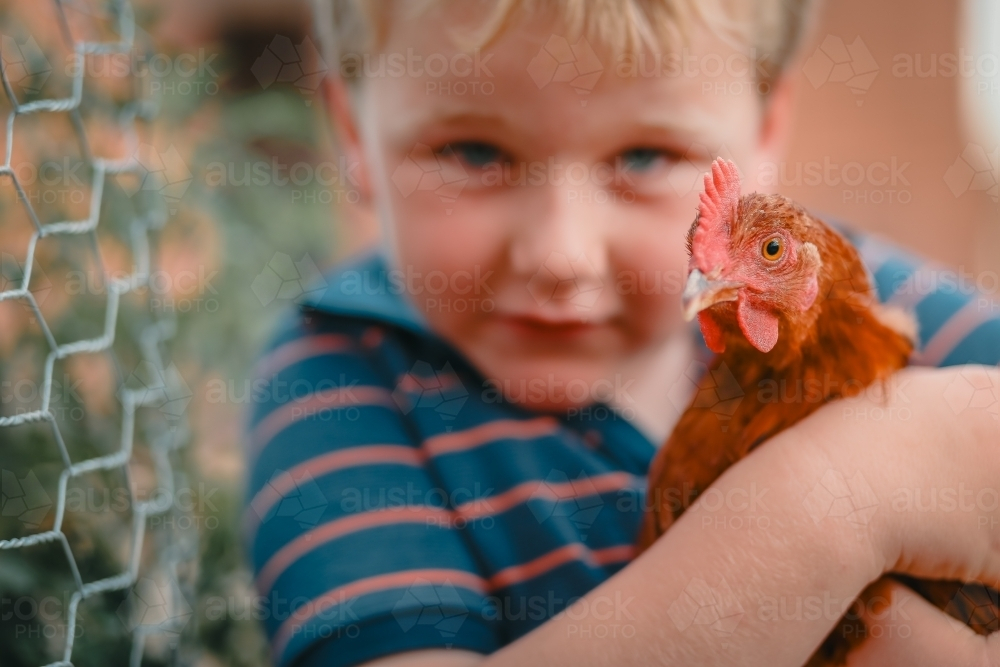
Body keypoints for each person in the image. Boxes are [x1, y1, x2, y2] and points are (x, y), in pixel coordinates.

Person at [244, 1, 1000, 665]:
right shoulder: (340, 386)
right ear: (352, 131)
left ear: (767, 130)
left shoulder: (825, 285)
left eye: (645, 156)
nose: (560, 256)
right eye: (473, 152)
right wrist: (835, 504)